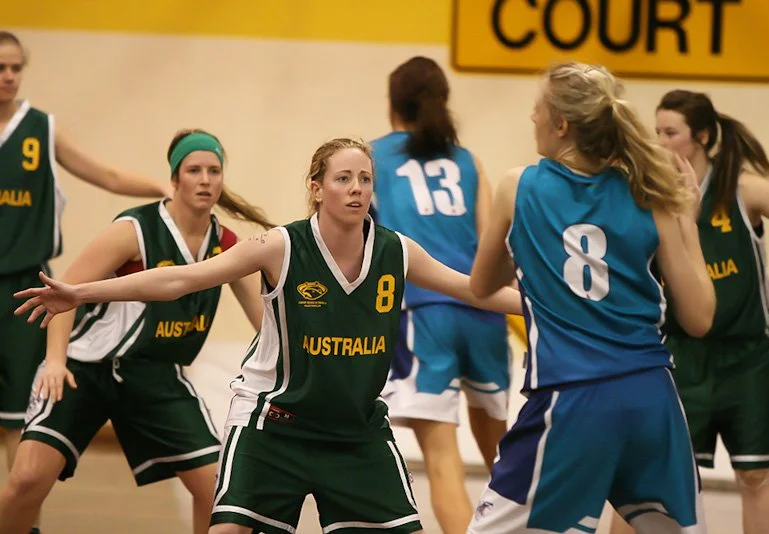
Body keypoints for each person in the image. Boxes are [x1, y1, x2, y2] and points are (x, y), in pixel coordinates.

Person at [12, 137, 523, 534]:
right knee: (228, 522)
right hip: (274, 425)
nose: (357, 188)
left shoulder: (397, 251)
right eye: (343, 178)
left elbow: (473, 289)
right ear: (317, 188)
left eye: (365, 179)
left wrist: (550, 306)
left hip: (354, 430)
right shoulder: (279, 246)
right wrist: (81, 293)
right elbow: (178, 280)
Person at [465, 62, 715, 533]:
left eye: (538, 107)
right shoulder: (651, 194)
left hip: (572, 400)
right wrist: (687, 219)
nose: (532, 116)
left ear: (561, 124)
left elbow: (481, 286)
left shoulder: (519, 186)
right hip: (653, 400)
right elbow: (700, 318)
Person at [0, 129, 270, 534]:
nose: (205, 179)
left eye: (214, 170)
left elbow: (266, 325)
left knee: (218, 490)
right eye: (194, 170)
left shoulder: (228, 244)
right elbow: (62, 296)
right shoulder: (134, 229)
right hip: (86, 369)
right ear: (175, 179)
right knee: (27, 480)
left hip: (156, 375)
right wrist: (55, 361)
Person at [0, 31, 170, 524]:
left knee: (18, 417)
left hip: (21, 286)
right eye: (0, 68)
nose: (9, 77)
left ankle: (22, 522)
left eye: (15, 68)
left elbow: (109, 177)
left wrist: (164, 185)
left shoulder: (41, 128)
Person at [371, 56, 511, 533]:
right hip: (484, 311)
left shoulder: (369, 158)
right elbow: (494, 240)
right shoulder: (468, 161)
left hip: (423, 312)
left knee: (442, 460)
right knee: (503, 459)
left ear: (393, 104)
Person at [647, 90, 769, 534]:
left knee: (755, 474)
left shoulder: (744, 190)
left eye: (670, 133)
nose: (660, 142)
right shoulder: (654, 196)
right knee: (659, 477)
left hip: (747, 355)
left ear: (703, 137)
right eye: (655, 132)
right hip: (682, 354)